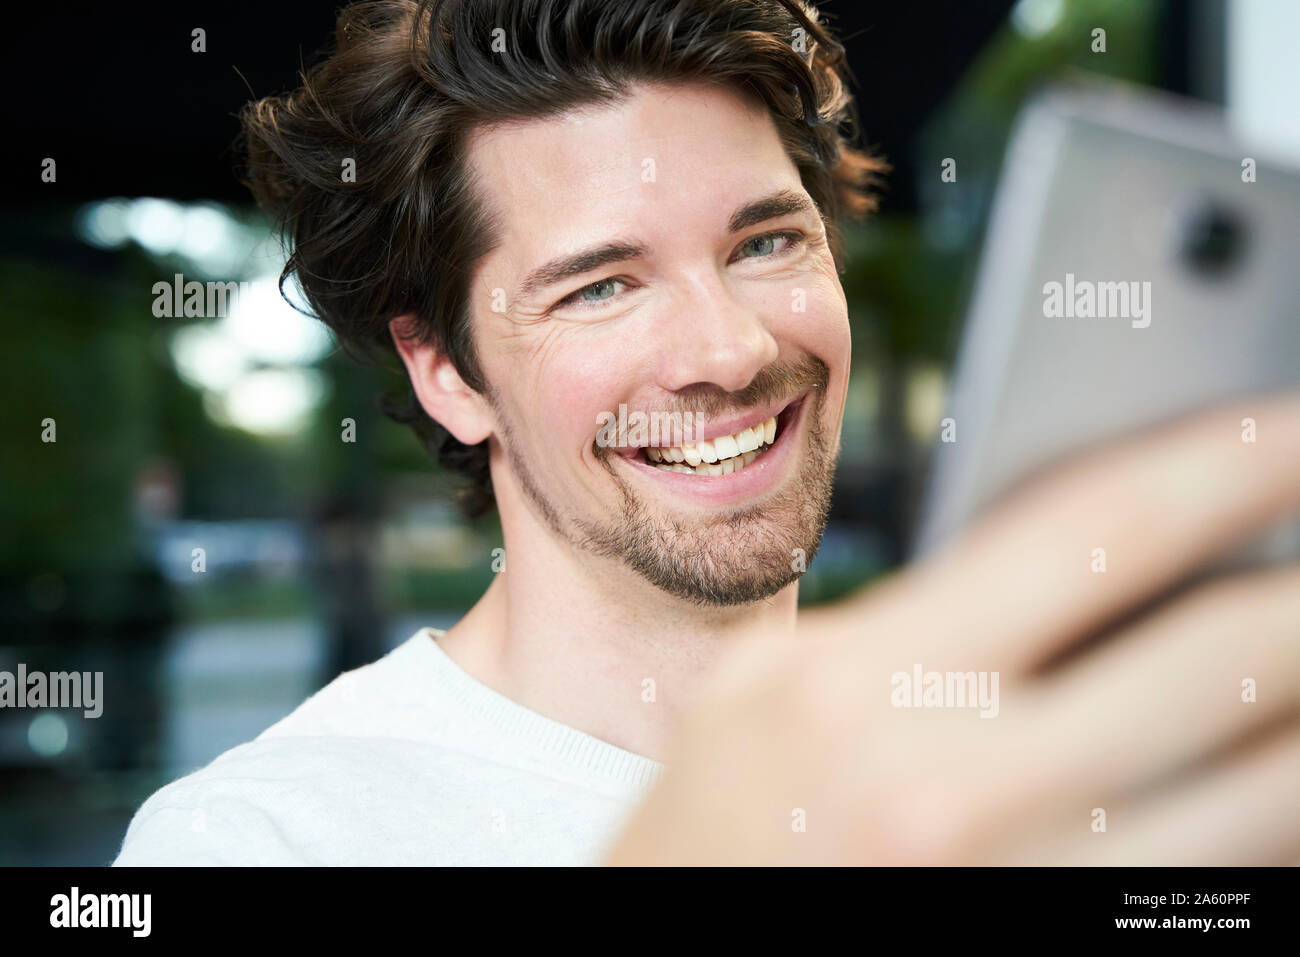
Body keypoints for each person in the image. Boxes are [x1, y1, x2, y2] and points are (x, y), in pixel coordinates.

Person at [113, 0, 1300, 866]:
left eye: (765, 243)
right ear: (448, 375)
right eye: (600, 287)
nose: (728, 351)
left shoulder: (1016, 761)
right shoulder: (257, 835)